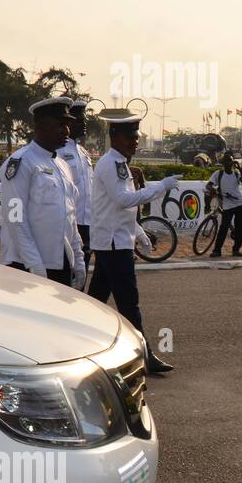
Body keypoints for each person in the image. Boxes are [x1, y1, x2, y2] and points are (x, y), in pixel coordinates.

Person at [88, 110, 179, 374]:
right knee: (129, 304)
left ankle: (82, 344)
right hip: (114, 245)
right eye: (129, 136)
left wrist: (138, 234)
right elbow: (124, 200)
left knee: (95, 300)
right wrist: (161, 186)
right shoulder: (111, 163)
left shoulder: (119, 162)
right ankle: (146, 357)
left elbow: (120, 209)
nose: (134, 141)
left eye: (136, 136)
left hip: (114, 240)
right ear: (114, 136)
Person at [0, 95, 86, 288]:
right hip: (26, 264)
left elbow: (70, 217)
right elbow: (14, 217)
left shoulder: (62, 165)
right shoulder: (21, 162)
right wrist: (34, 264)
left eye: (68, 125)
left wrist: (78, 259)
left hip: (59, 261)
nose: (67, 131)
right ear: (40, 127)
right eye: (60, 125)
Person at [58, 97, 94, 272]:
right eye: (80, 120)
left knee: (83, 267)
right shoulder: (58, 151)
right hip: (70, 221)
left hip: (87, 221)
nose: (84, 124)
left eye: (85, 119)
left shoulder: (83, 152)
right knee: (67, 269)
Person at [206, 150, 242, 257]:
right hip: (228, 205)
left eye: (230, 162)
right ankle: (217, 250)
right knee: (224, 228)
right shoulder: (218, 174)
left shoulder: (236, 173)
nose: (228, 164)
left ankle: (236, 250)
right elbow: (208, 185)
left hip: (240, 203)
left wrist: (240, 169)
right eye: (225, 163)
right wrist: (213, 189)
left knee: (239, 228)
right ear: (223, 164)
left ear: (232, 163)